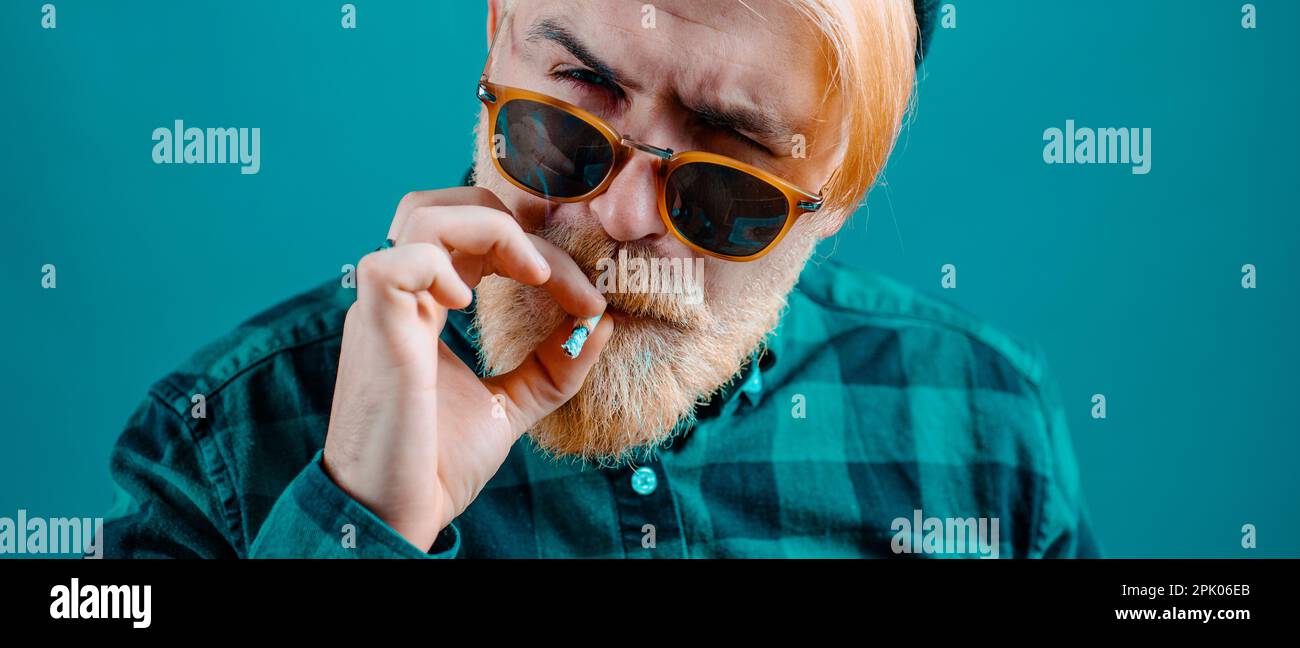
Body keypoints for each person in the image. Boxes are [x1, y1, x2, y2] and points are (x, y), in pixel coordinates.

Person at [104, 0, 1096, 558]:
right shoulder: (217, 452)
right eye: (572, 113)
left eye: (725, 173)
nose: (620, 217)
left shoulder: (980, 430)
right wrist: (363, 520)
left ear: (842, 188)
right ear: (497, 39)